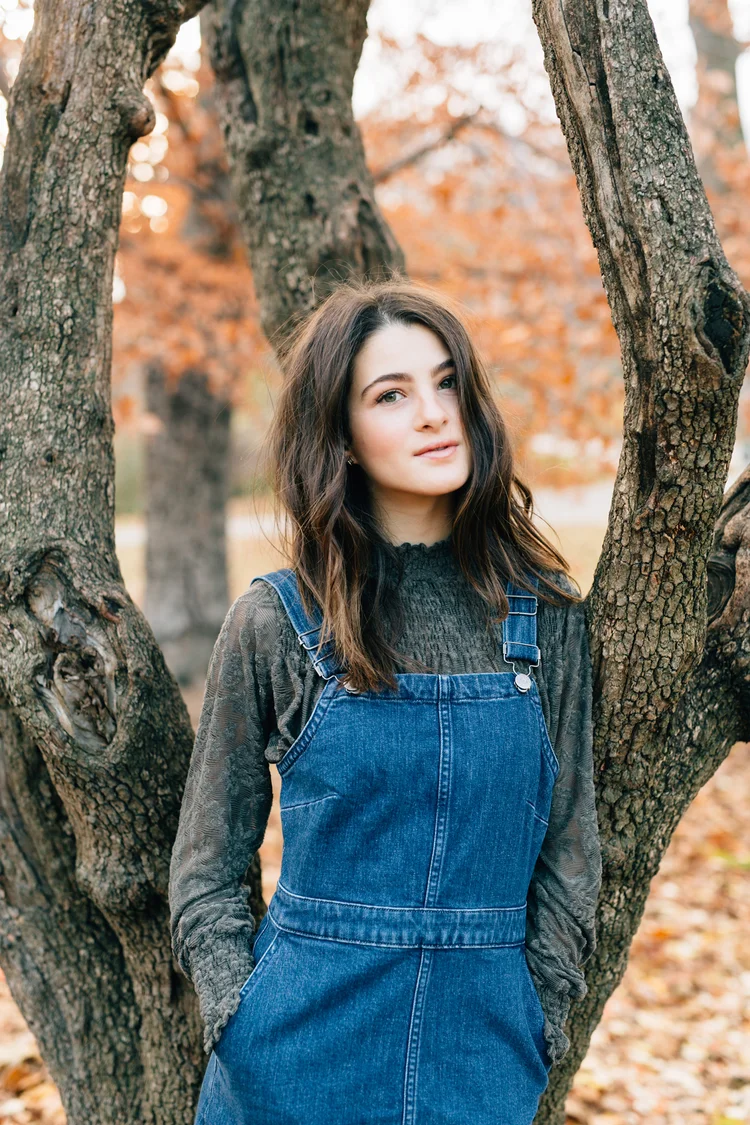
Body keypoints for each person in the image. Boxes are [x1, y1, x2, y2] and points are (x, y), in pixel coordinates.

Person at [168, 277, 602, 1125]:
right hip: (293, 1052)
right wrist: (240, 1018)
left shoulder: (546, 618)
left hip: (481, 1054)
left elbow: (573, 851)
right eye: (391, 395)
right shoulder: (277, 621)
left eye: (447, 383)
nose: (435, 412)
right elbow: (207, 869)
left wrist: (537, 1018)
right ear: (342, 434)